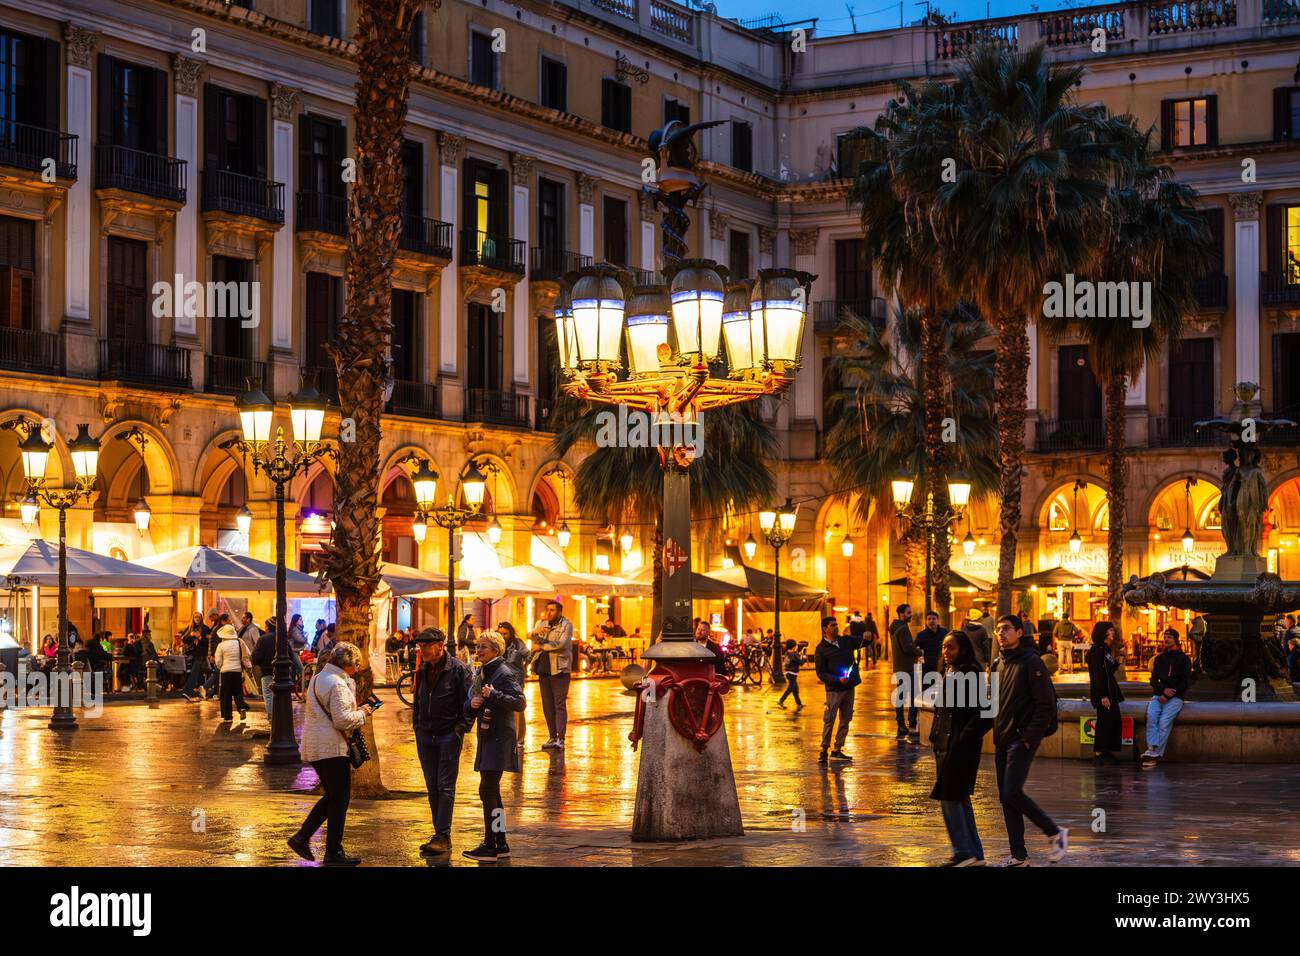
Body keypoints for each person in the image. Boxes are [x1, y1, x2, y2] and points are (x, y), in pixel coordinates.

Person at [990, 615, 1068, 867]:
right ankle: (1019, 856)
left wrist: (1028, 739)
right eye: (998, 630)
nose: (1002, 633)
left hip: (1020, 739)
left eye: (1007, 629)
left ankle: (1055, 832)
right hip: (1002, 739)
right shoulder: (996, 664)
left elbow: (1045, 705)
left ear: (1019, 632)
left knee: (1011, 791)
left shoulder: (1031, 661)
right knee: (1006, 796)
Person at [289, 641, 372, 866]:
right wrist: (364, 713)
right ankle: (326, 849)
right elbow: (342, 720)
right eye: (356, 664)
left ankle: (310, 841)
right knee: (339, 798)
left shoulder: (318, 678)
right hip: (332, 748)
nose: (357, 667)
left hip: (315, 746)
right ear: (348, 664)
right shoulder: (337, 685)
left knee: (334, 797)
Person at [930, 629, 992, 866]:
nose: (946, 652)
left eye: (951, 647)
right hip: (945, 745)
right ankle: (973, 853)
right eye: (944, 647)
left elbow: (985, 713)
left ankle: (964, 852)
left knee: (949, 796)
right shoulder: (951, 671)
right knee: (958, 797)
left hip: (959, 745)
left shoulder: (970, 673)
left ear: (963, 649)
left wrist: (965, 737)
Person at [464, 630, 526, 862]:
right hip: (489, 737)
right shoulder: (483, 671)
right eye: (478, 646)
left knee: (488, 790)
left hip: (499, 739)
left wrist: (495, 695)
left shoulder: (503, 672)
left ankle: (491, 844)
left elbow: (520, 703)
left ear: (496, 650)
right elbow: (472, 699)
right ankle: (500, 843)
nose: (478, 651)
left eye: (483, 647)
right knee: (492, 792)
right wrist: (473, 703)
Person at [408, 627, 472, 856]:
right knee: (432, 786)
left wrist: (460, 729)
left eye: (426, 645)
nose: (422, 649)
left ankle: (443, 835)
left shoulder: (458, 669)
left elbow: (470, 701)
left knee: (445, 786)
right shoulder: (424, 668)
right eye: (420, 646)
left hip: (447, 735)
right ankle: (439, 834)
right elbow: (418, 698)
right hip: (425, 734)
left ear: (440, 645)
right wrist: (416, 724)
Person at [813, 615, 864, 764]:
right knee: (829, 720)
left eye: (836, 625)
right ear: (825, 629)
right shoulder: (821, 649)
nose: (836, 627)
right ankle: (824, 750)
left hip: (849, 687)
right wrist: (836, 680)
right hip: (834, 690)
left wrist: (866, 634)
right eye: (833, 625)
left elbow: (863, 640)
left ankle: (837, 749)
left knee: (846, 719)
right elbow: (820, 673)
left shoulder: (845, 641)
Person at [1142, 628, 1191, 766]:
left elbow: (1186, 681)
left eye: (1169, 637)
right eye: (1165, 637)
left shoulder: (1184, 659)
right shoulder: (1159, 659)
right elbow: (1153, 680)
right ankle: (1151, 748)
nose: (1166, 639)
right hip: (1159, 695)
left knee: (1164, 722)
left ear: (1176, 640)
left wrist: (1170, 694)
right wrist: (1162, 691)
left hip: (1176, 698)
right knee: (1151, 718)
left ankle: (1154, 753)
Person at [530, 599, 574, 751]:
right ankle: (552, 737)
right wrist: (535, 633)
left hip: (559, 669)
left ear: (559, 612)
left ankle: (560, 739)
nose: (549, 613)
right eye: (547, 610)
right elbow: (531, 637)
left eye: (552, 610)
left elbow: (562, 644)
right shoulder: (542, 623)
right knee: (547, 705)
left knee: (559, 705)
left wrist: (541, 646)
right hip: (543, 668)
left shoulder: (566, 625)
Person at [1086, 620, 1124, 764]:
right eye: (1111, 630)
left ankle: (1107, 751)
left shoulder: (1106, 649)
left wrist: (1117, 662)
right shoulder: (1097, 651)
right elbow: (1097, 675)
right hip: (1103, 693)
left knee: (1113, 721)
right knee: (1104, 721)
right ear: (1104, 633)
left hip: (1110, 691)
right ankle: (1100, 752)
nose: (1113, 633)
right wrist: (1102, 696)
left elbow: (1108, 671)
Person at [890, 604, 921, 741]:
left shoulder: (895, 627)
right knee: (914, 696)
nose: (911, 615)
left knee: (901, 697)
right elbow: (907, 647)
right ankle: (911, 724)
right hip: (907, 667)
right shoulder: (902, 628)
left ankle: (901, 724)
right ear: (901, 613)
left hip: (899, 666)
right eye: (909, 612)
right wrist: (919, 651)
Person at [212, 622, 250, 721]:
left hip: (226, 672)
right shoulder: (239, 642)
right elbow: (248, 653)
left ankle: (228, 717)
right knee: (238, 692)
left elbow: (218, 661)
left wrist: (220, 667)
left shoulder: (221, 645)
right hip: (237, 671)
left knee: (226, 694)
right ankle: (241, 707)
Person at [251, 623, 278, 716]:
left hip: (266, 671)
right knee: (279, 694)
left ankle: (271, 717)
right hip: (281, 672)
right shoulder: (282, 638)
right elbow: (290, 655)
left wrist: (261, 663)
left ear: (267, 627)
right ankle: (278, 716)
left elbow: (255, 657)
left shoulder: (262, 639)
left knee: (268, 694)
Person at [914, 609, 945, 679]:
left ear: (938, 621)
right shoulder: (921, 635)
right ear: (926, 621)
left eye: (934, 619)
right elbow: (915, 649)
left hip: (942, 667)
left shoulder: (945, 633)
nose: (931, 621)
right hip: (927, 668)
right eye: (929, 619)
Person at [777, 639, 803, 709]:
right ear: (793, 646)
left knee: (795, 689)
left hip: (788, 672)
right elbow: (801, 662)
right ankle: (781, 700)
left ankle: (799, 703)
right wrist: (804, 658)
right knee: (791, 688)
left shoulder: (786, 653)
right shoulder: (794, 654)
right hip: (793, 673)